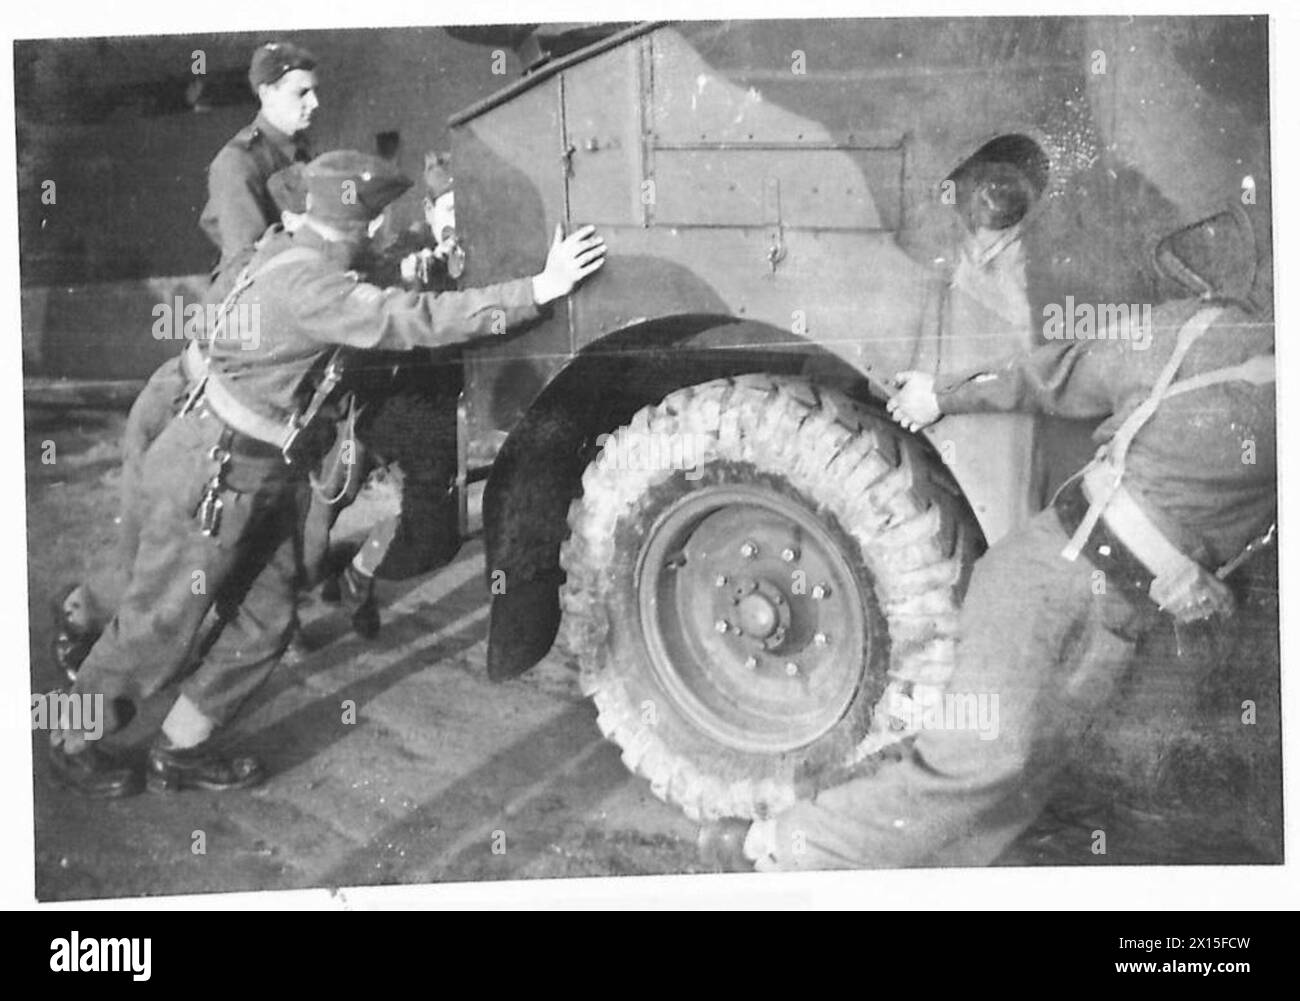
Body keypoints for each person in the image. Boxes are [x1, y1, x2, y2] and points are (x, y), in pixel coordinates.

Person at [707, 207, 1275, 870]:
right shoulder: (1203, 333)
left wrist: (1213, 584)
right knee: (980, 762)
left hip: (1118, 621)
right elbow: (1056, 372)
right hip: (1046, 580)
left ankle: (831, 828)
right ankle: (769, 851)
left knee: (1019, 777)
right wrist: (942, 394)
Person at [45, 150, 606, 797]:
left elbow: (368, 281)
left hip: (253, 473)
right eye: (375, 225)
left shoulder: (292, 249)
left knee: (266, 620)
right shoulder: (310, 285)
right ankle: (70, 736)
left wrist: (413, 264)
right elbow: (408, 321)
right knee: (160, 622)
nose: (379, 236)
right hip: (215, 477)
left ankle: (182, 748)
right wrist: (538, 289)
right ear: (360, 224)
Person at [53, 42, 320, 679]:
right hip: (204, 383)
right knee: (157, 550)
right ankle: (81, 625)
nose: (314, 103)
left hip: (241, 373)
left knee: (197, 545)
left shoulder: (297, 156)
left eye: (314, 91)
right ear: (265, 95)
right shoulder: (237, 165)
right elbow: (248, 265)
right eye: (300, 93)